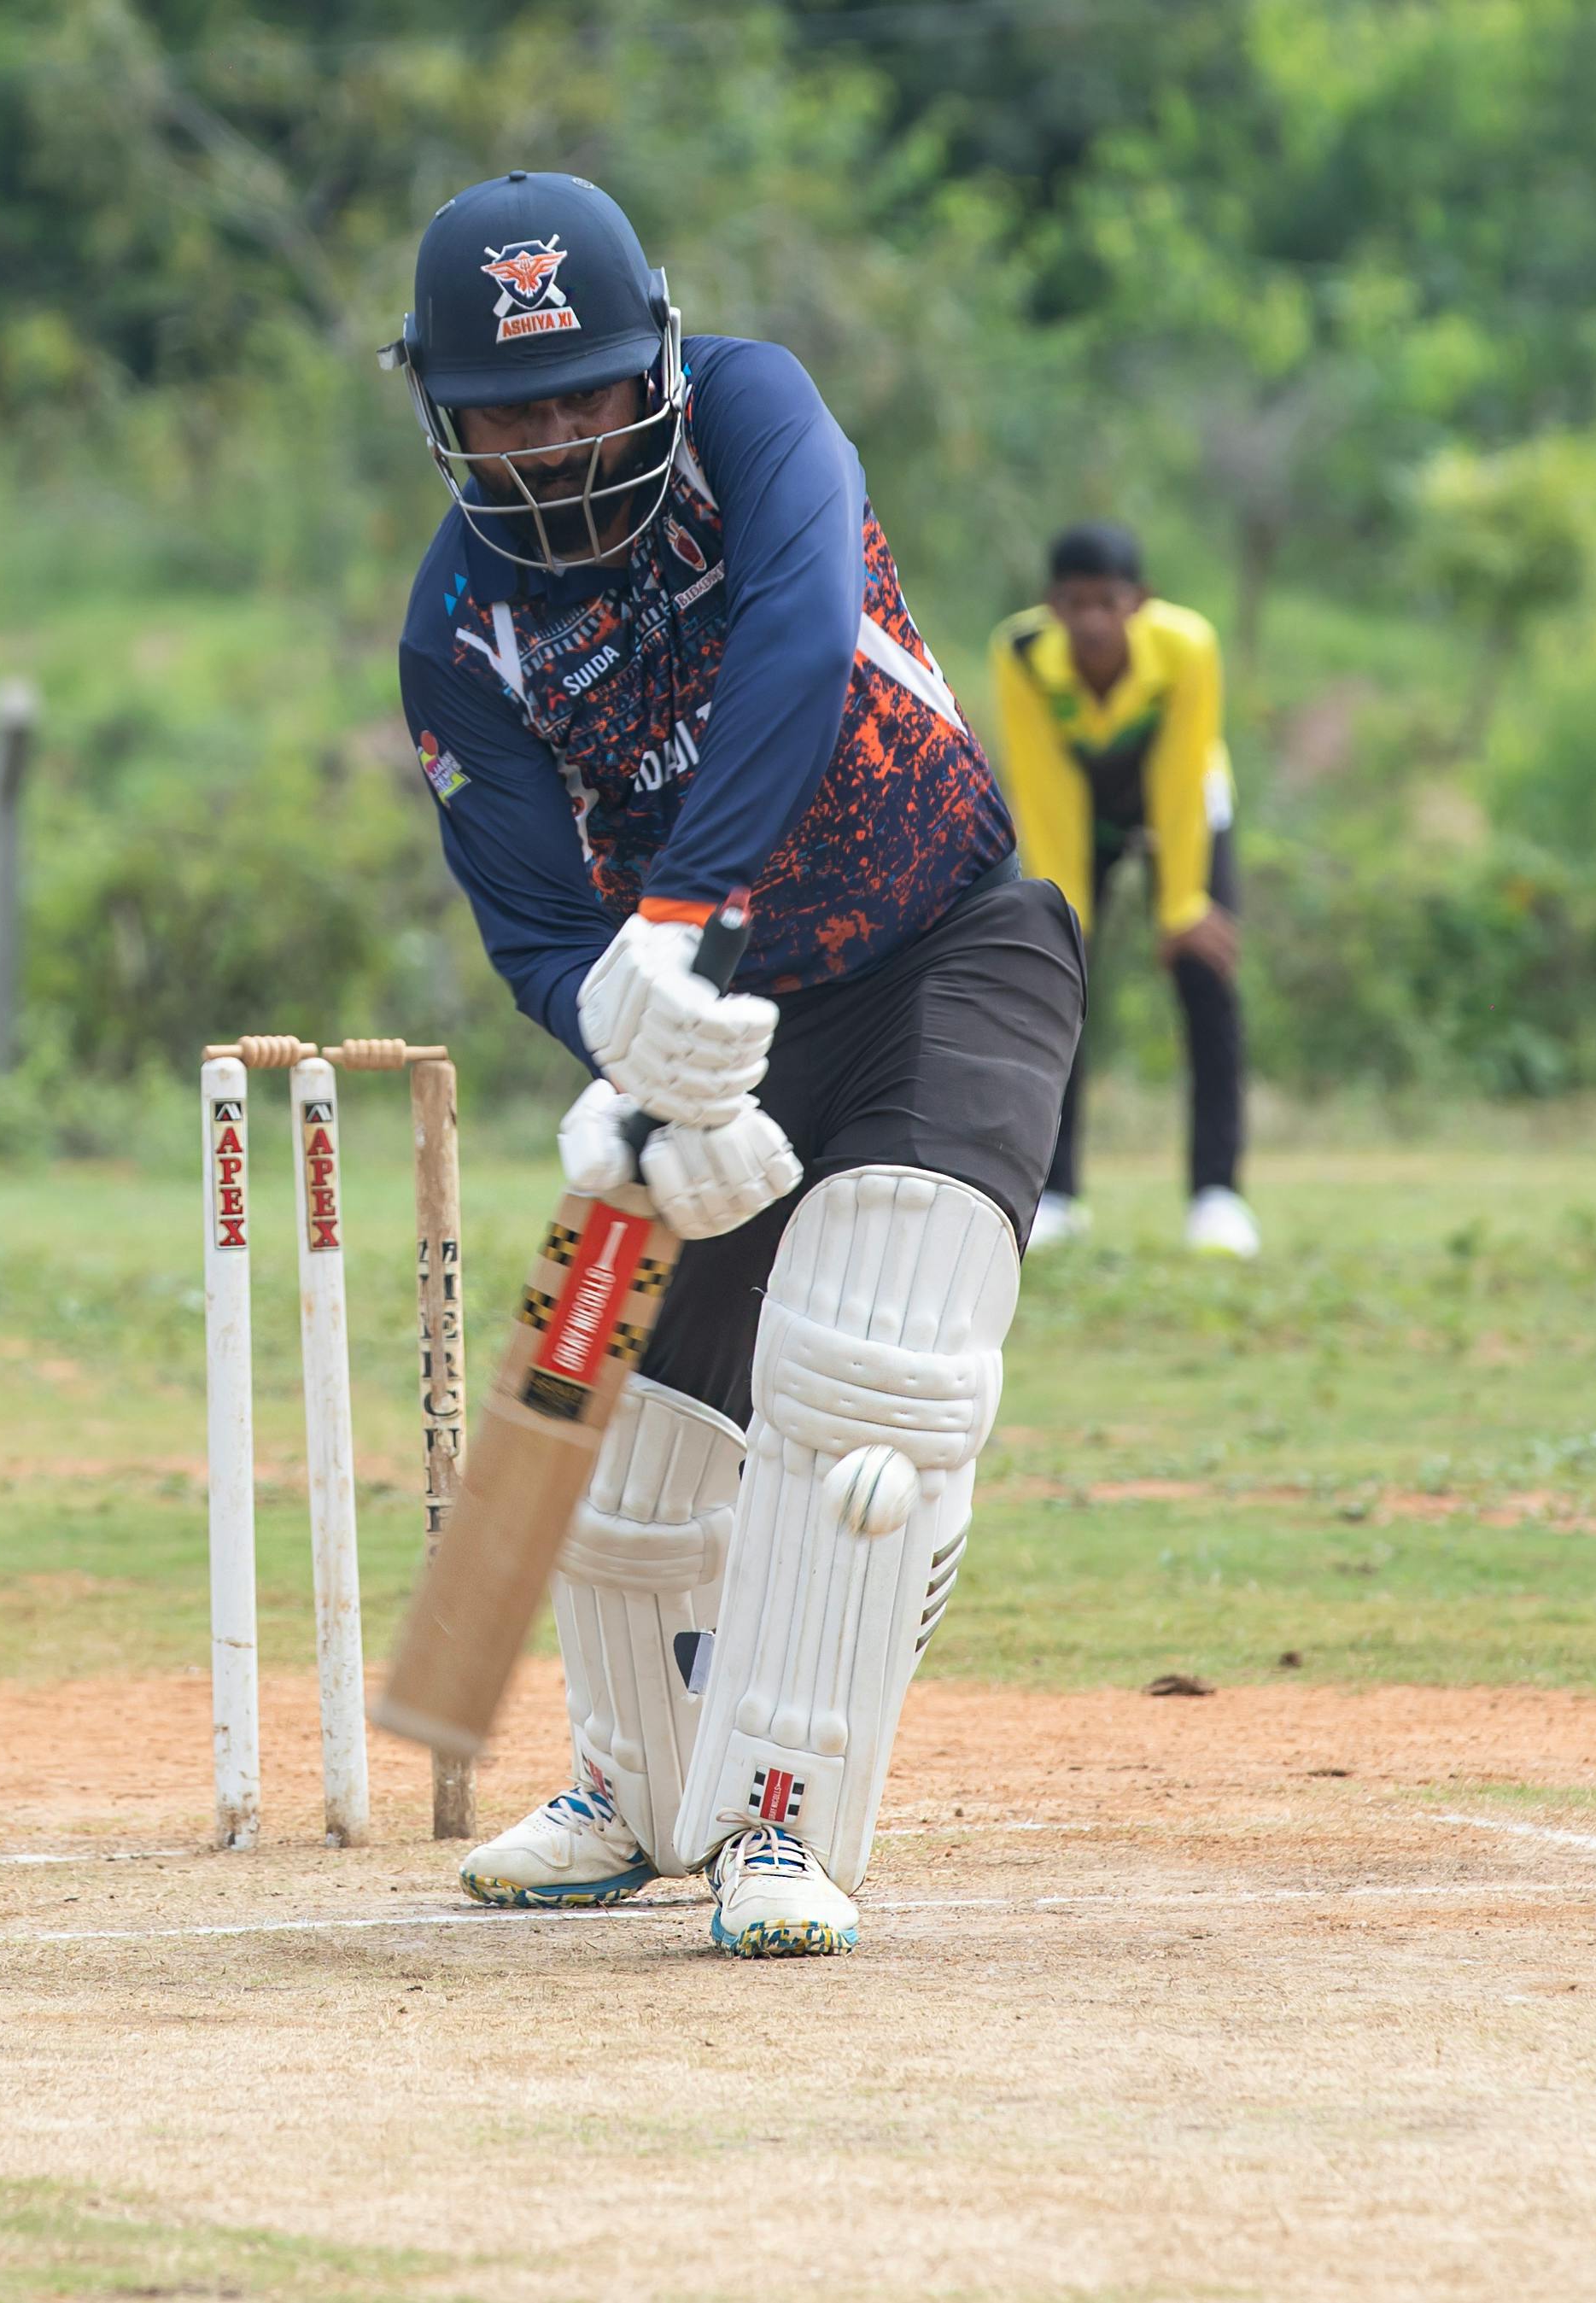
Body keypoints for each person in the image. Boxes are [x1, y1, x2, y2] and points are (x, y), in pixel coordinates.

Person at [387, 172, 1083, 1955]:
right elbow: (536, 921)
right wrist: (629, 1045)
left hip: (944, 948)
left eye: (581, 395)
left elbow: (794, 637)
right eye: (506, 412)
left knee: (867, 1366)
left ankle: (783, 1816)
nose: (551, 442)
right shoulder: (456, 632)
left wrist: (681, 909)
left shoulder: (751, 417)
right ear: (441, 414)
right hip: (712, 1021)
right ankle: (632, 1787)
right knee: (623, 1439)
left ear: (655, 366)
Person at [989, 523, 1255, 1254]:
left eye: (1107, 602)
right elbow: (1042, 786)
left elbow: (1181, 770)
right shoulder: (1022, 653)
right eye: (1074, 604)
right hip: (1080, 812)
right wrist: (1064, 916)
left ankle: (1216, 1195)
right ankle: (1056, 1192)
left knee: (1205, 971)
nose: (1092, 622)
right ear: (1051, 605)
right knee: (1057, 980)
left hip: (1184, 805)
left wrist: (1181, 908)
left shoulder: (1186, 646)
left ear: (1139, 602)